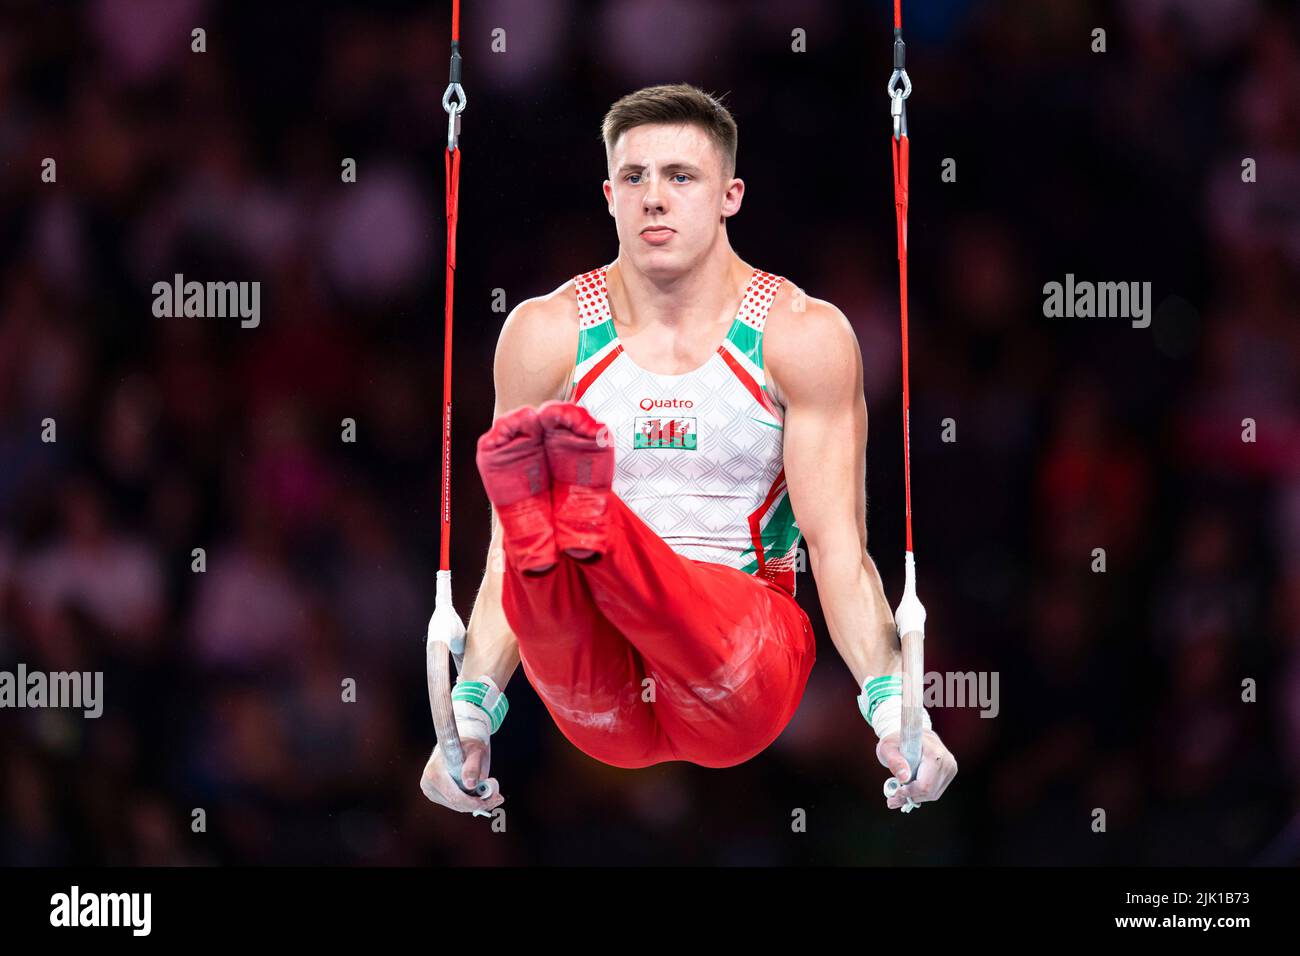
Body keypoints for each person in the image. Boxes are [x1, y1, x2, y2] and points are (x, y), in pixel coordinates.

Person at [420, 83, 957, 815]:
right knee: (531, 563)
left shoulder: (800, 335)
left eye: (681, 177)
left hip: (744, 655)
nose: (654, 198)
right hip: (602, 688)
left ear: (730, 195)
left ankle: (591, 522)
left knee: (611, 563)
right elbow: (496, 567)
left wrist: (894, 707)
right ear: (608, 195)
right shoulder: (543, 335)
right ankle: (573, 527)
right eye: (635, 178)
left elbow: (838, 551)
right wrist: (470, 710)